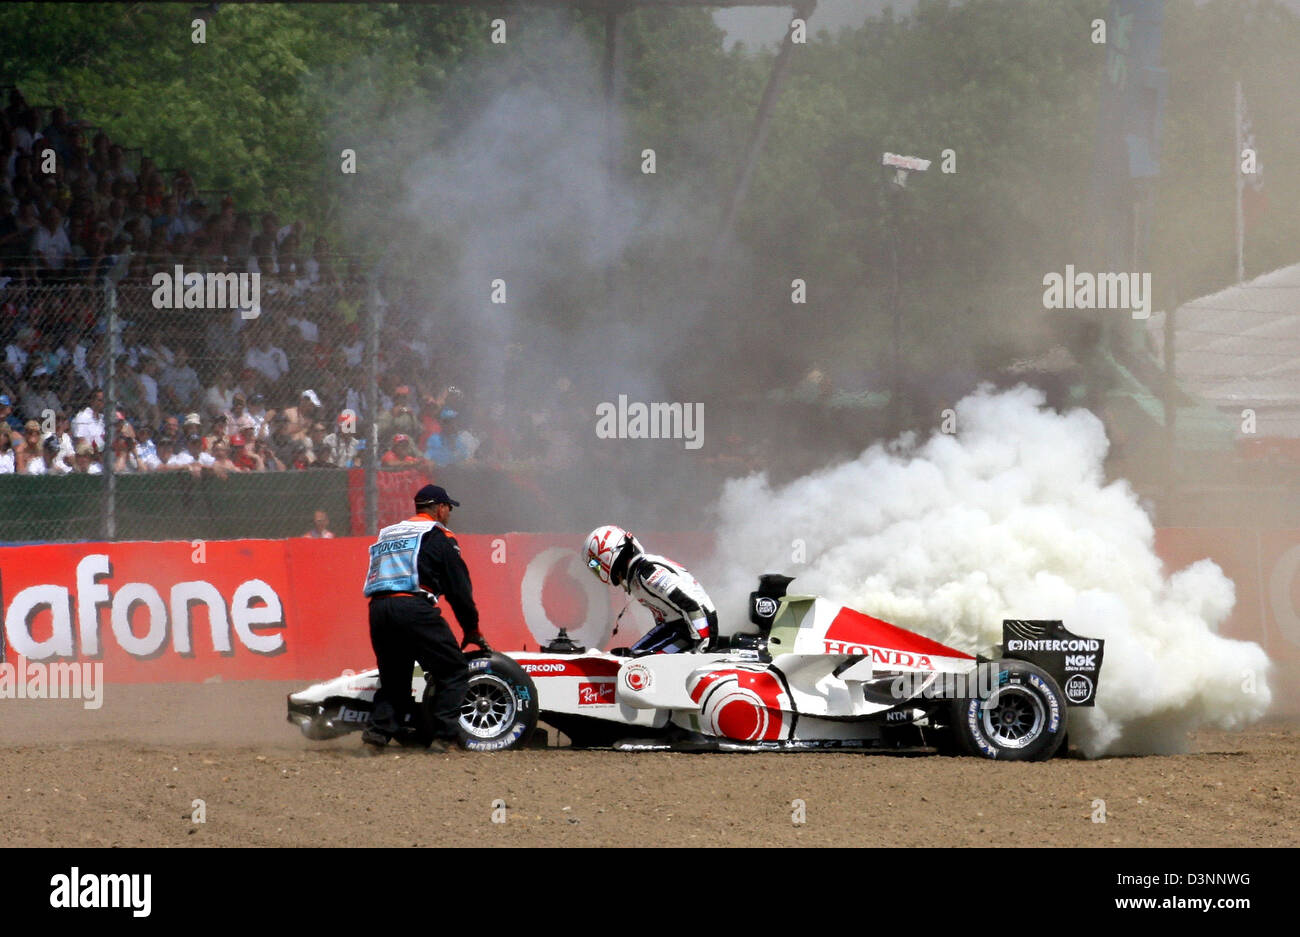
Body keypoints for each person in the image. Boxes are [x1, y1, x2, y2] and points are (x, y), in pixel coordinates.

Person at [361, 485, 488, 753]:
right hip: (413, 607)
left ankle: (375, 738)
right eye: (449, 509)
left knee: (394, 676)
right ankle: (443, 738)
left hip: (379, 609)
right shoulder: (439, 535)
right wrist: (471, 628)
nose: (449, 514)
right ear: (440, 508)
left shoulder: (388, 533)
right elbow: (459, 590)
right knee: (453, 670)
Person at [583, 525, 718, 655]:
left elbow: (690, 603)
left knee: (638, 663)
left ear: (608, 554)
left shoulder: (647, 572)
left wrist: (701, 645)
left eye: (596, 565)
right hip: (677, 627)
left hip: (695, 628)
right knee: (629, 658)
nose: (597, 570)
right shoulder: (636, 574)